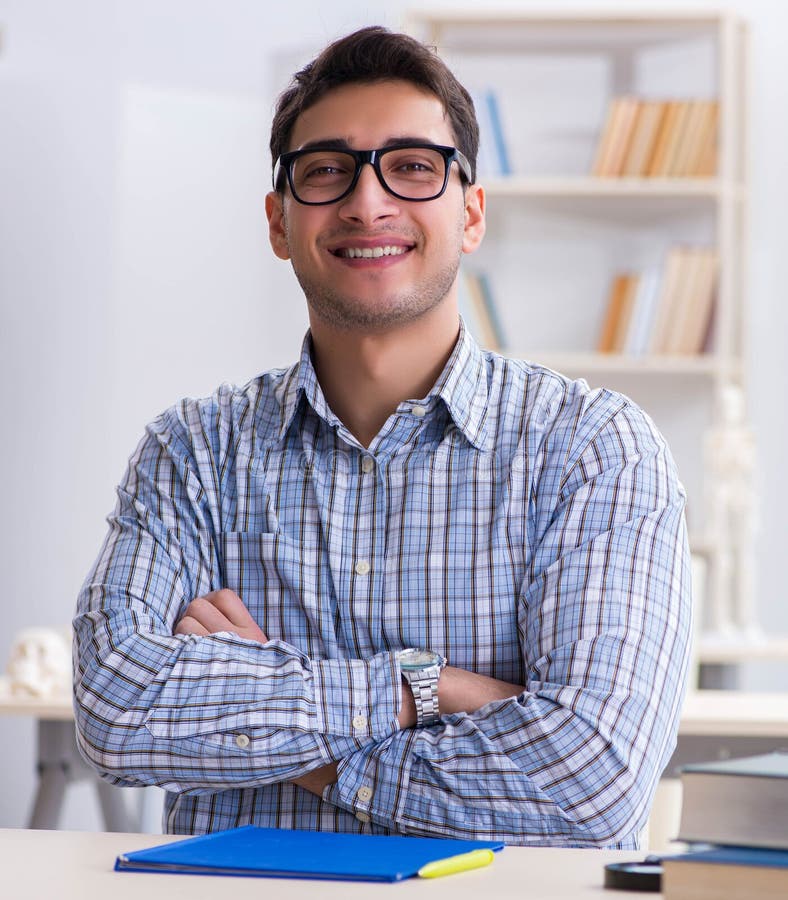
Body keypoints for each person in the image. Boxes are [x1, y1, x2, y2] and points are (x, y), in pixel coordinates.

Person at [73, 25, 691, 848]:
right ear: (278, 223)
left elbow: (590, 785)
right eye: (327, 170)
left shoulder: (593, 449)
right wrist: (421, 688)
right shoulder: (192, 453)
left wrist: (284, 740)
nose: (368, 203)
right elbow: (116, 713)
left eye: (413, 167)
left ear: (471, 214)